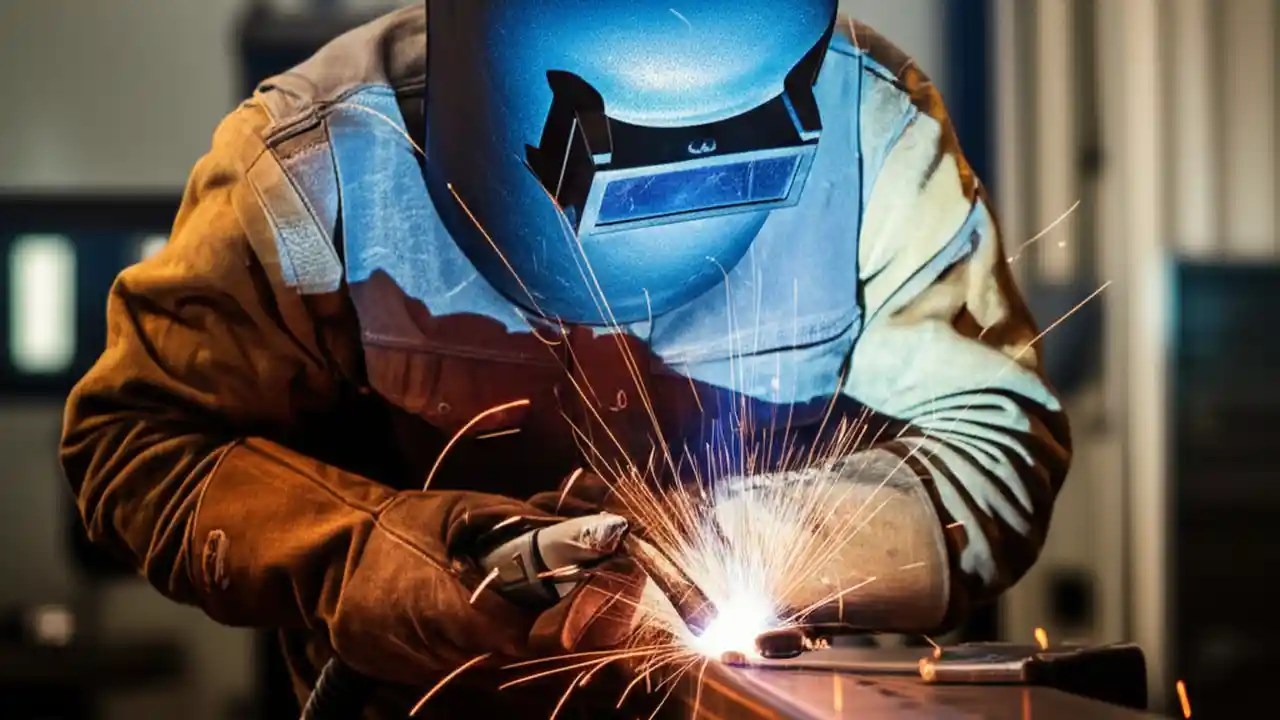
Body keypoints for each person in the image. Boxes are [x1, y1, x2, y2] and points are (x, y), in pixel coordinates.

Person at [61, 1, 1071, 716]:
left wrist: (727, 546)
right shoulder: (310, 164)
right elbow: (134, 440)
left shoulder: (873, 132)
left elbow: (997, 444)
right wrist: (365, 556)